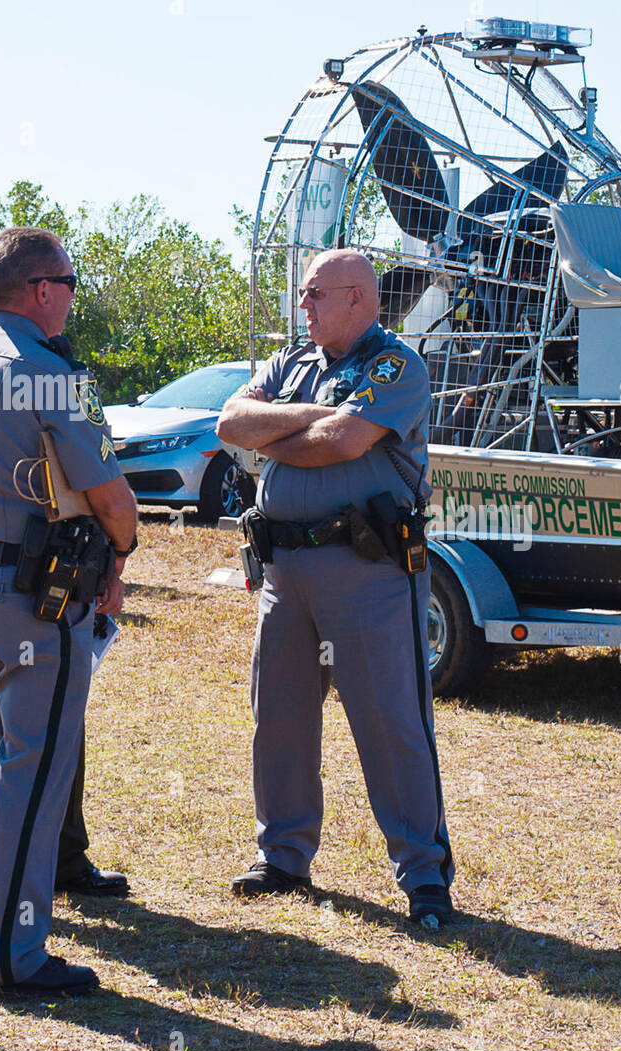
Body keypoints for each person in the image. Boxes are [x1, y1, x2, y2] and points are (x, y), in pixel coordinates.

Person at [0, 227, 138, 998]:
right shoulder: (49, 373)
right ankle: (9, 954)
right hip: (32, 600)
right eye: (72, 283)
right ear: (41, 290)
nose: (74, 297)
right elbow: (112, 497)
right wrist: (123, 551)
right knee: (34, 772)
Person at [217, 249, 454, 925]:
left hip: (367, 572)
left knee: (391, 724)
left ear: (358, 297)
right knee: (281, 718)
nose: (304, 306)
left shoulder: (395, 365)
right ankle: (283, 855)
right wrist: (305, 419)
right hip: (285, 575)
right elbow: (231, 424)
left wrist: (281, 428)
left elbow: (345, 441)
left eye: (315, 293)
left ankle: (423, 875)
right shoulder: (290, 363)